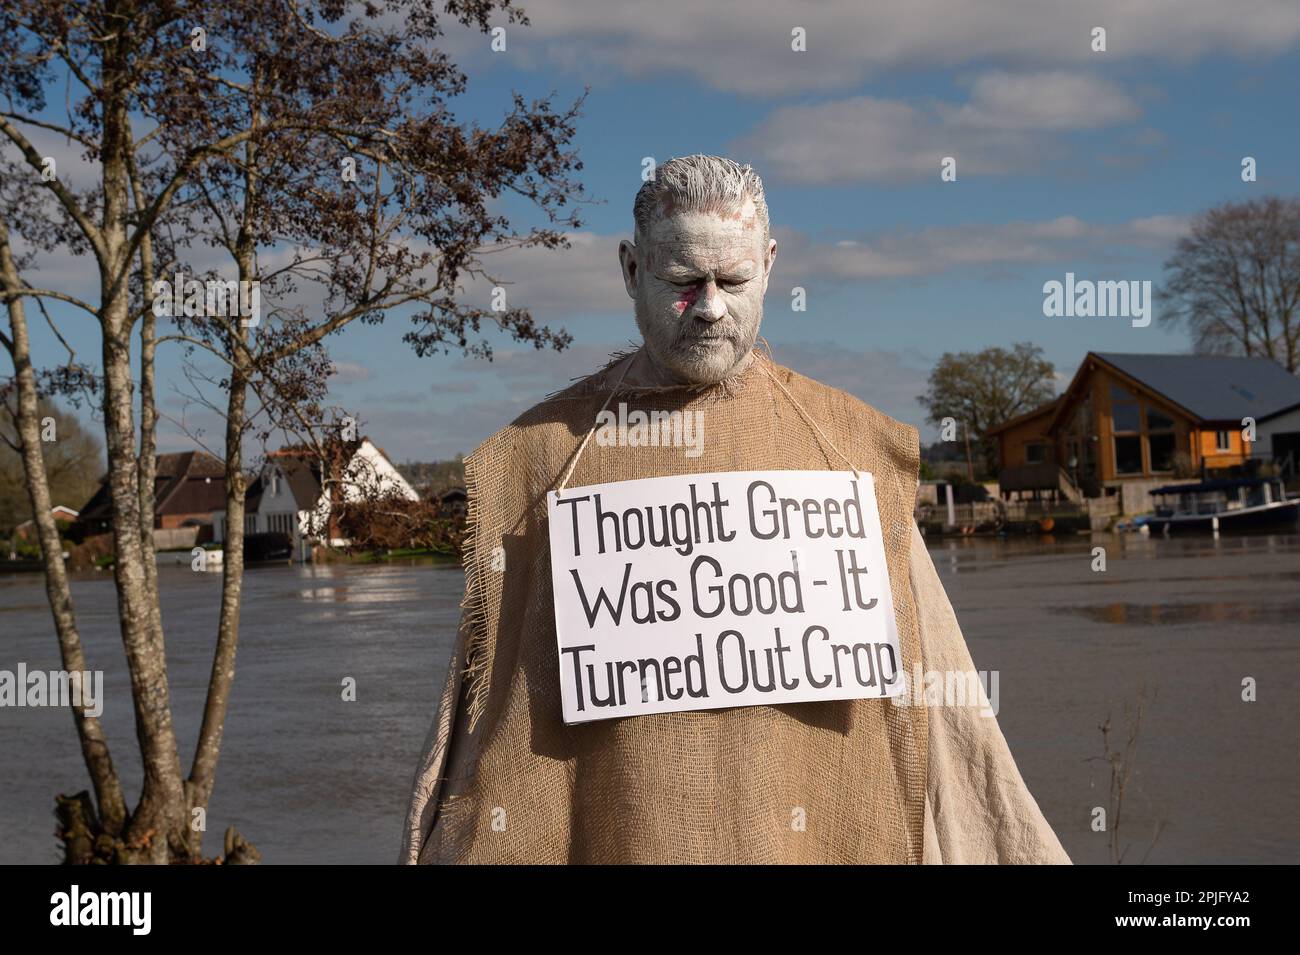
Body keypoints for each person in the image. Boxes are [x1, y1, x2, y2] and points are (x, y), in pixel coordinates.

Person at [402, 154, 1069, 864]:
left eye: (735, 280)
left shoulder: (850, 452)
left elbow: (951, 731)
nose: (712, 306)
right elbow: (478, 737)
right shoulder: (535, 464)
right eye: (684, 283)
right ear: (632, 271)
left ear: (771, 266)